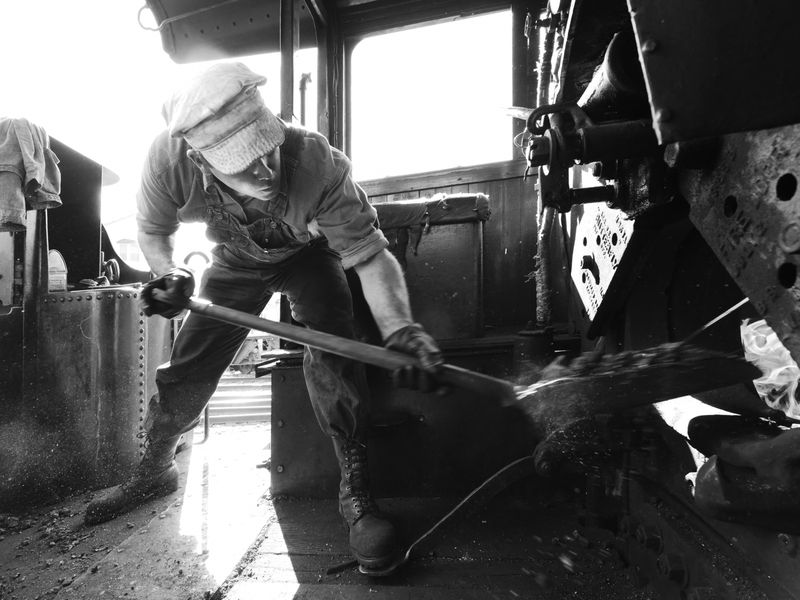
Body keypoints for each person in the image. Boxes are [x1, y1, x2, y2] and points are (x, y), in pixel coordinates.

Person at [84, 62, 443, 573]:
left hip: (308, 258)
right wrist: (168, 273)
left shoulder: (319, 163)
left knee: (334, 346)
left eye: (266, 148)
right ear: (200, 159)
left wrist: (400, 328)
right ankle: (154, 468)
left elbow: (368, 255)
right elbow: (153, 230)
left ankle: (356, 492)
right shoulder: (168, 162)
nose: (265, 171)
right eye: (241, 163)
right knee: (191, 362)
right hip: (235, 261)